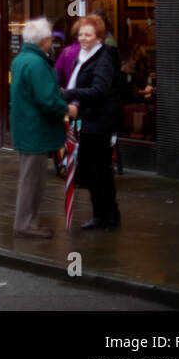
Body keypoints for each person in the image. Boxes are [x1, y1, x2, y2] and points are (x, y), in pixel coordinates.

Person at [10, 17, 77, 238]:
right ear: (44, 40)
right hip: (34, 129)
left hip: (27, 127)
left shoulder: (22, 59)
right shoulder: (36, 63)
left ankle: (28, 221)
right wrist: (66, 109)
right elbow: (47, 98)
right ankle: (25, 223)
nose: (51, 41)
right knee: (32, 180)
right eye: (49, 37)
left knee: (31, 178)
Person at [63, 15, 122, 229]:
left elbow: (100, 90)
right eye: (80, 34)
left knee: (97, 168)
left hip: (102, 120)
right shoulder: (84, 55)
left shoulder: (104, 56)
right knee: (95, 168)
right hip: (90, 118)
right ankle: (105, 213)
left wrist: (68, 94)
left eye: (88, 34)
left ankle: (105, 215)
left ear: (99, 36)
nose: (83, 38)